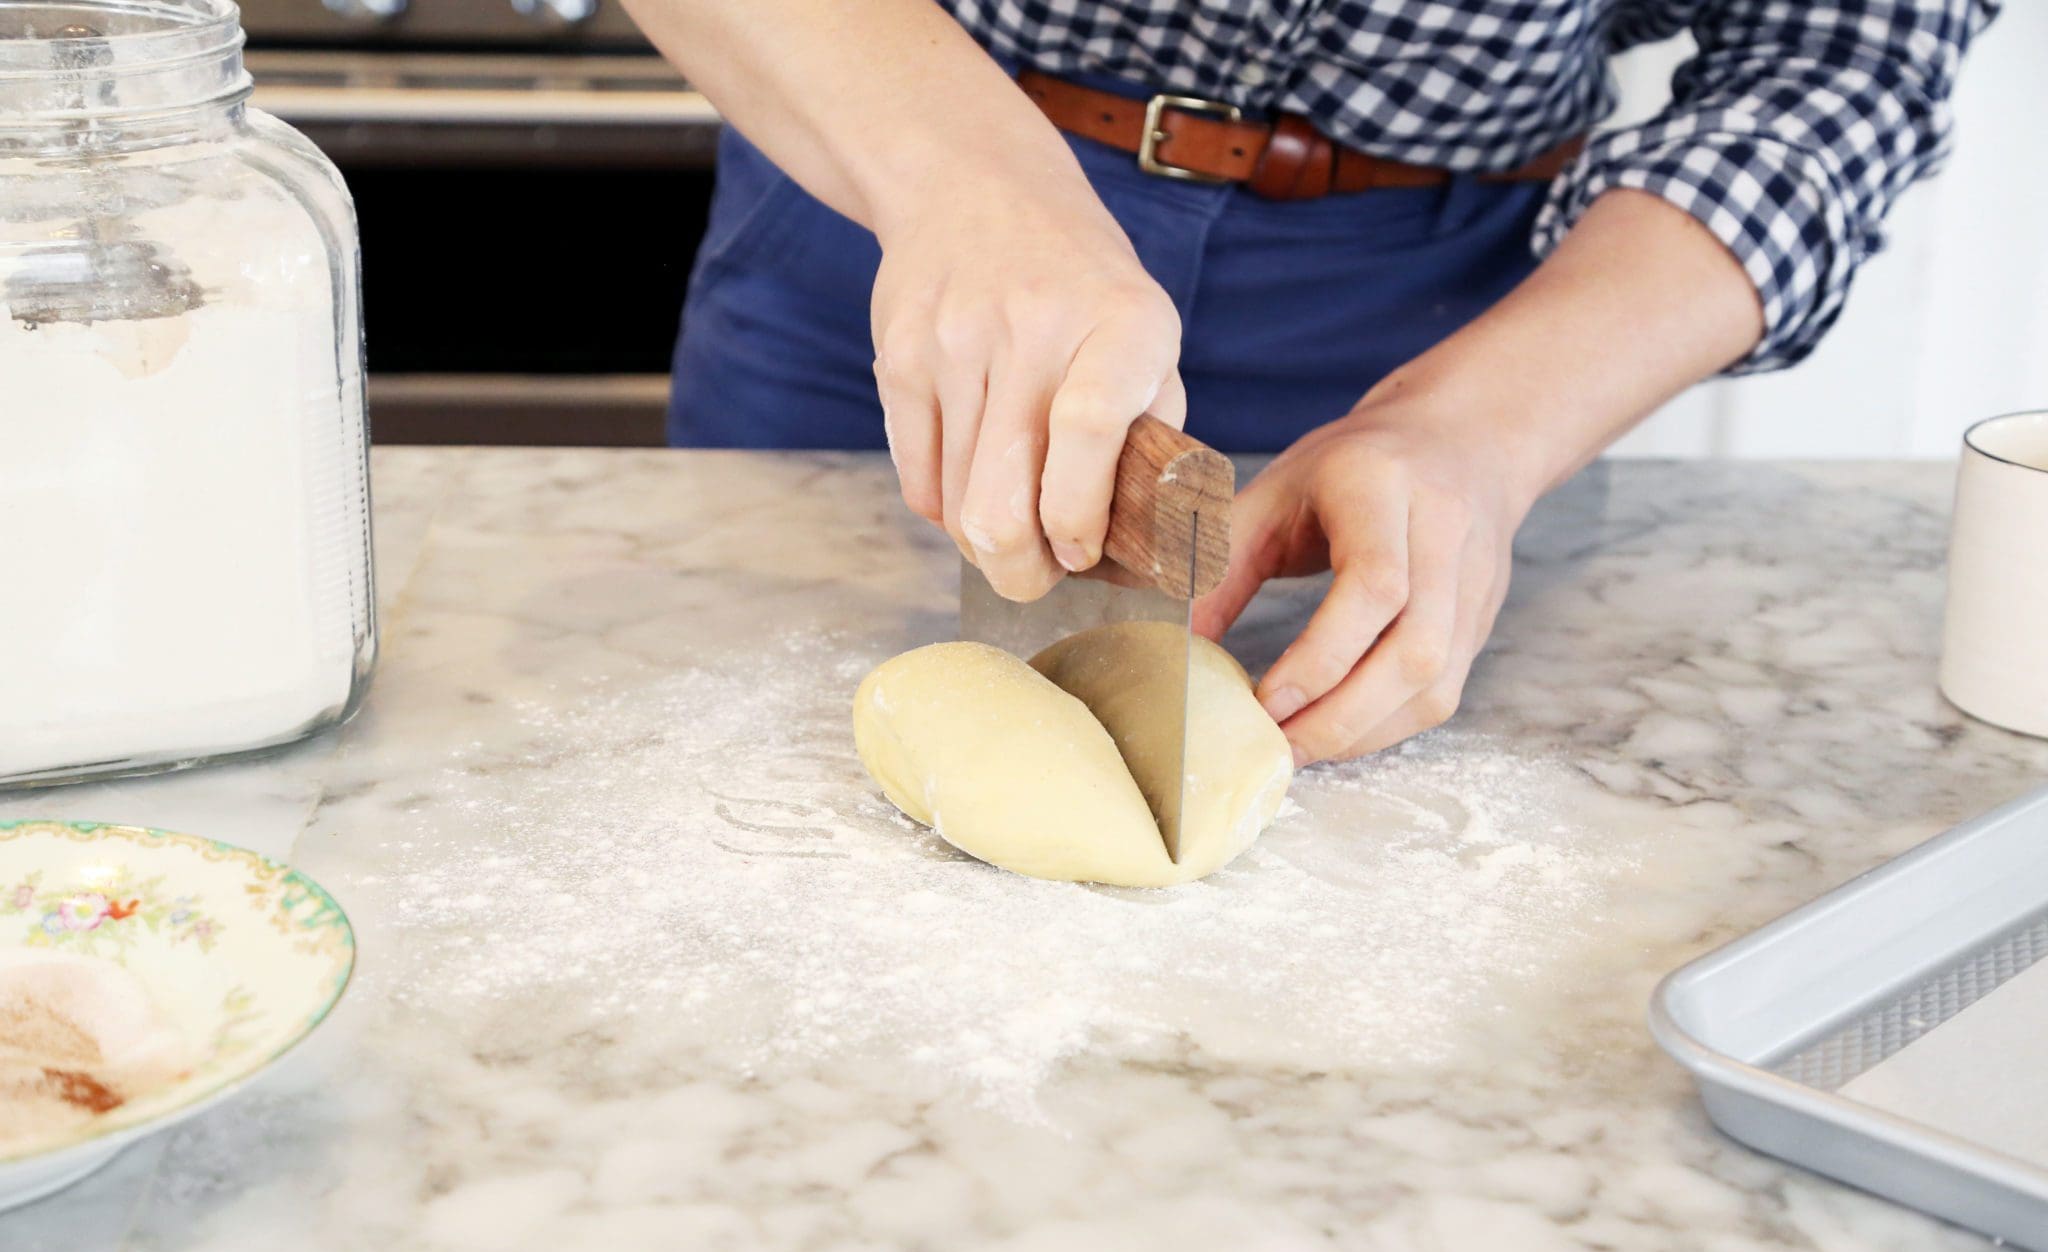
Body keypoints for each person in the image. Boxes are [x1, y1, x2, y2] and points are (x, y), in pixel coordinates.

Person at [622, 0, 1997, 767]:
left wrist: (1475, 427)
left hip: (1437, 300)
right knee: (750, 738)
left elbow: (1846, 58)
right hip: (889, 167)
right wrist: (955, 173)